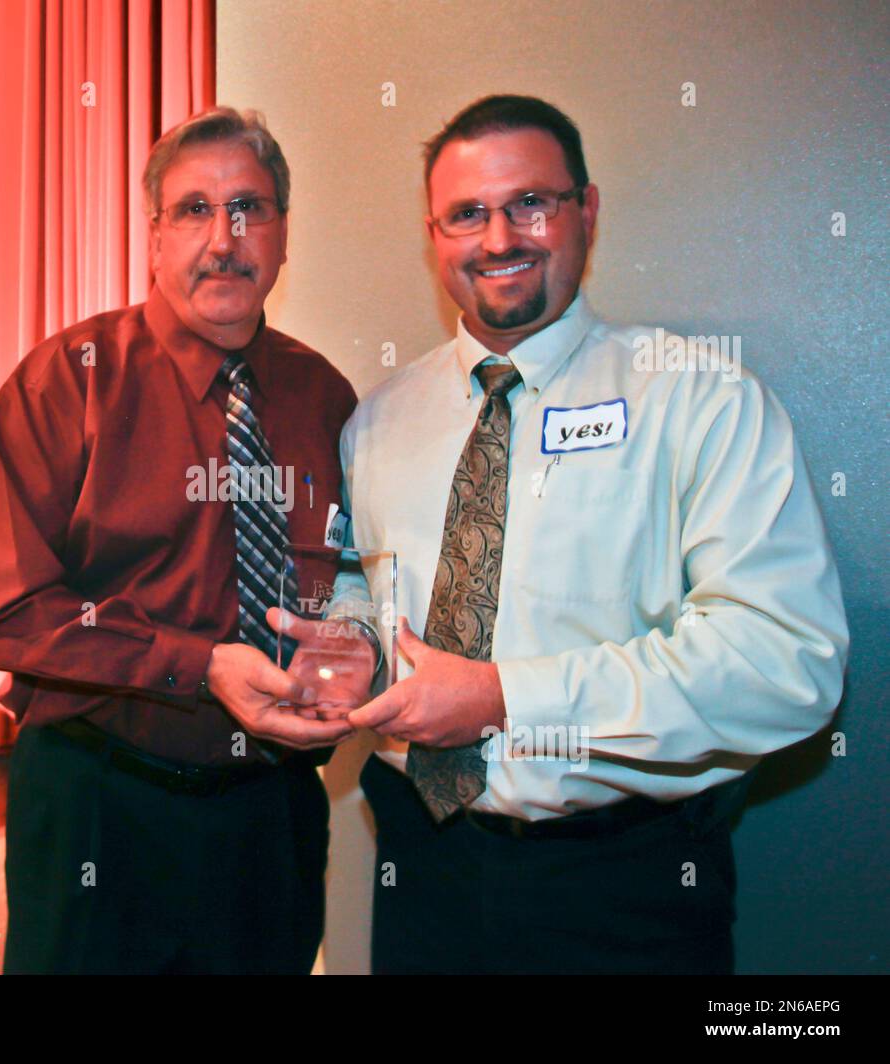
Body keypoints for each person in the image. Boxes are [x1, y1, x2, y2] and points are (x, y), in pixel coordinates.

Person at [329, 95, 848, 974]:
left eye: (531, 202)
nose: (499, 238)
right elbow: (367, 592)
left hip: (624, 893)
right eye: (467, 214)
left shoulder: (700, 401)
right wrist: (340, 645)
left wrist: (506, 697)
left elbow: (786, 661)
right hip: (422, 876)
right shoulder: (377, 421)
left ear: (588, 211)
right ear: (434, 233)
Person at [0, 107, 358, 975]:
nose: (225, 238)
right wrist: (197, 662)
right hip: (102, 806)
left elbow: (356, 577)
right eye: (195, 211)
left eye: (250, 208)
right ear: (155, 237)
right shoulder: (68, 382)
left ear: (283, 234)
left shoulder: (325, 397)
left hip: (271, 815)